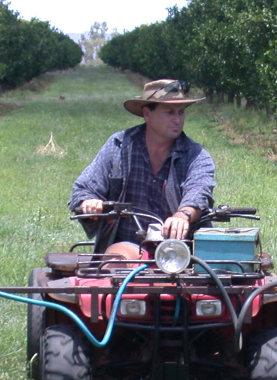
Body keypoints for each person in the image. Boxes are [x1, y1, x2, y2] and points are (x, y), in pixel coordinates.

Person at [69, 79, 215, 254]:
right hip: (126, 247)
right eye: (169, 112)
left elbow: (199, 192)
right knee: (117, 259)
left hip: (180, 250)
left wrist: (182, 215)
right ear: (147, 113)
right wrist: (89, 202)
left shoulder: (196, 155)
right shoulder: (119, 146)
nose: (177, 119)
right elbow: (83, 189)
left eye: (181, 112)